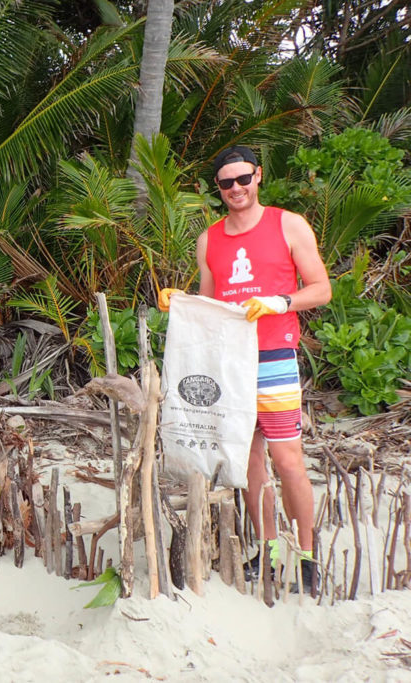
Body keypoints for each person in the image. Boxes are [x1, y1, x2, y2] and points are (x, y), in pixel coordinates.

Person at [159, 146, 331, 589]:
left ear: (258, 176)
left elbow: (322, 289)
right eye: (225, 183)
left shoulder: (287, 224)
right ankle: (269, 551)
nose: (236, 189)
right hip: (230, 362)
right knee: (249, 459)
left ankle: (308, 556)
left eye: (242, 179)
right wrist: (179, 302)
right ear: (218, 189)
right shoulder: (209, 239)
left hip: (273, 356)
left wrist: (280, 302)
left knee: (287, 459)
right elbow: (210, 305)